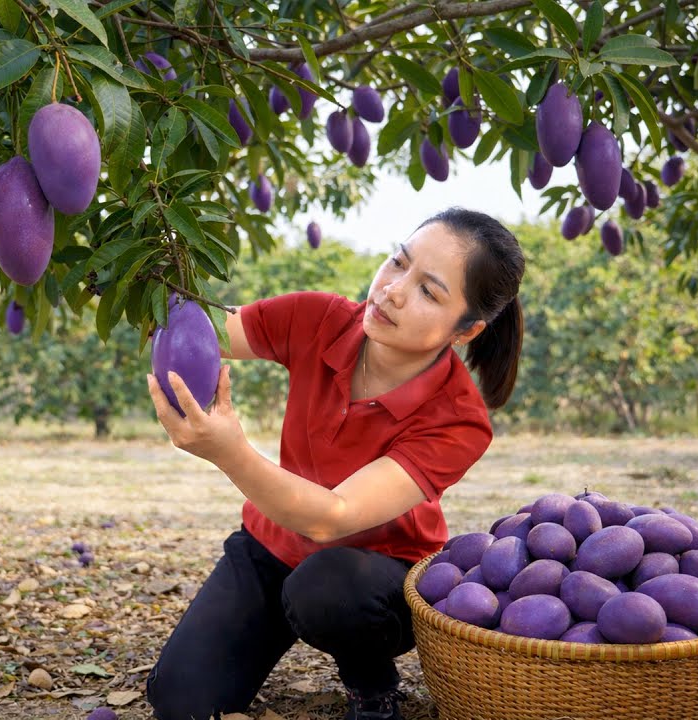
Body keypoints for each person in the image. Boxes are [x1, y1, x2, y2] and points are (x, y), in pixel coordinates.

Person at [143, 208, 525, 720]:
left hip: (372, 578)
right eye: (397, 263)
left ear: (466, 330)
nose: (391, 290)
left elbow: (334, 517)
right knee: (180, 701)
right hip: (270, 546)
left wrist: (228, 451)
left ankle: (373, 687)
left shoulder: (458, 420)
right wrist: (147, 272)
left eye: (429, 292)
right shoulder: (320, 319)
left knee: (326, 587)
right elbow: (212, 330)